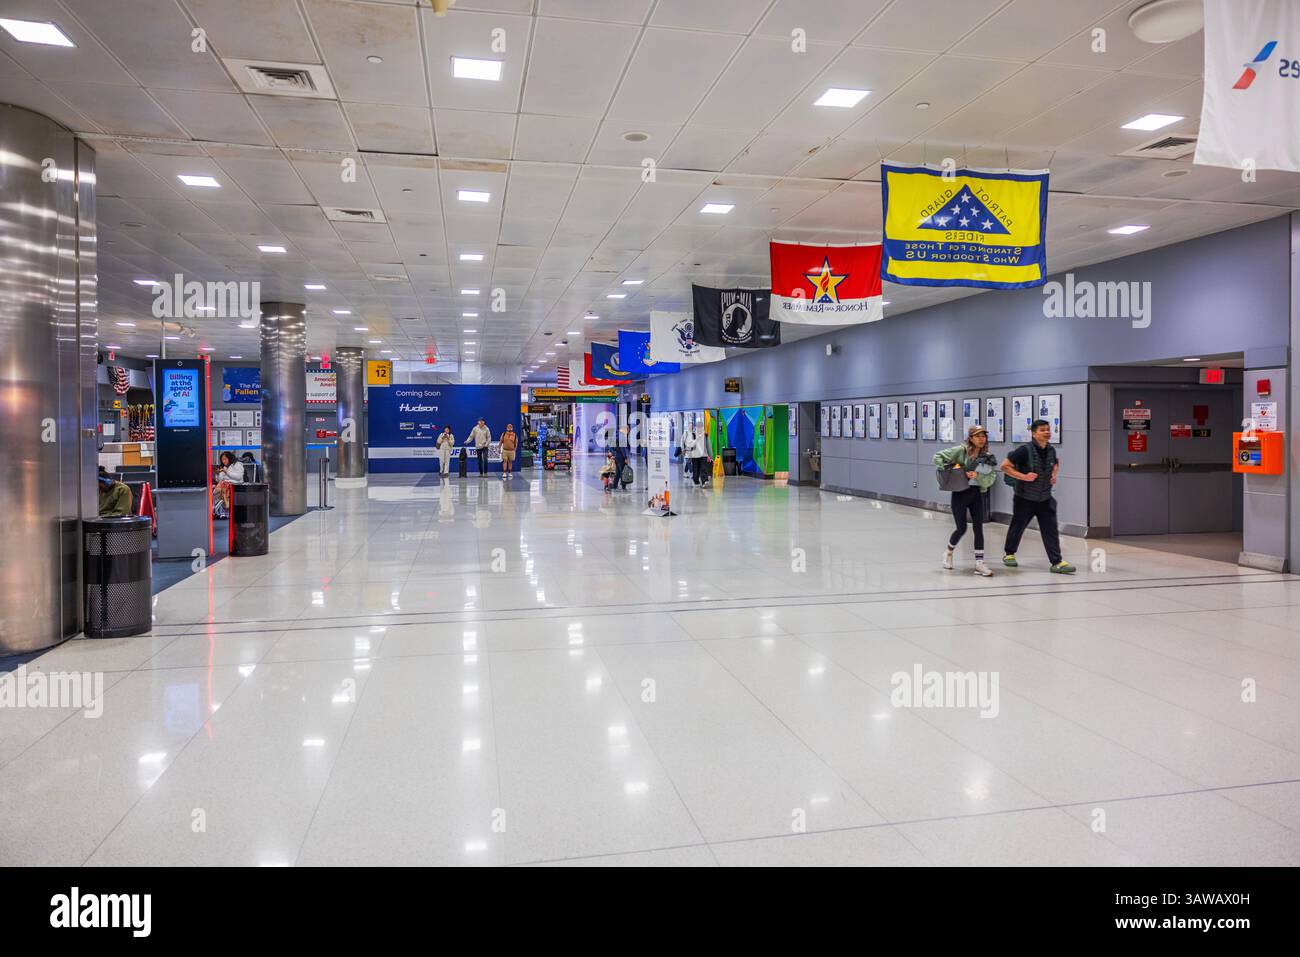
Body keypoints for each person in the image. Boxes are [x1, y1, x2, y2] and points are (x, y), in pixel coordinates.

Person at [1001, 419, 1076, 574]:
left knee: (1051, 530)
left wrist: (1054, 475)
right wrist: (1024, 477)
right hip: (1024, 498)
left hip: (1045, 498)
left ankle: (1057, 562)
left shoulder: (1051, 450)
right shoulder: (1023, 450)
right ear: (1034, 433)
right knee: (1018, 526)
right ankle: (1009, 554)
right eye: (1042, 430)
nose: (1047, 432)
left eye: (1048, 429)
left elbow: (1055, 463)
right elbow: (1005, 466)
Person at [934, 425, 998, 577]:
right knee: (961, 528)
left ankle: (979, 563)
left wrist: (978, 477)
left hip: (976, 494)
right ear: (970, 438)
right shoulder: (960, 451)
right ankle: (948, 552)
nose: (981, 439)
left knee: (978, 528)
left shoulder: (987, 457)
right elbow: (937, 457)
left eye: (983, 436)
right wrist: (954, 471)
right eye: (977, 436)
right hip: (960, 493)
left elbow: (990, 478)